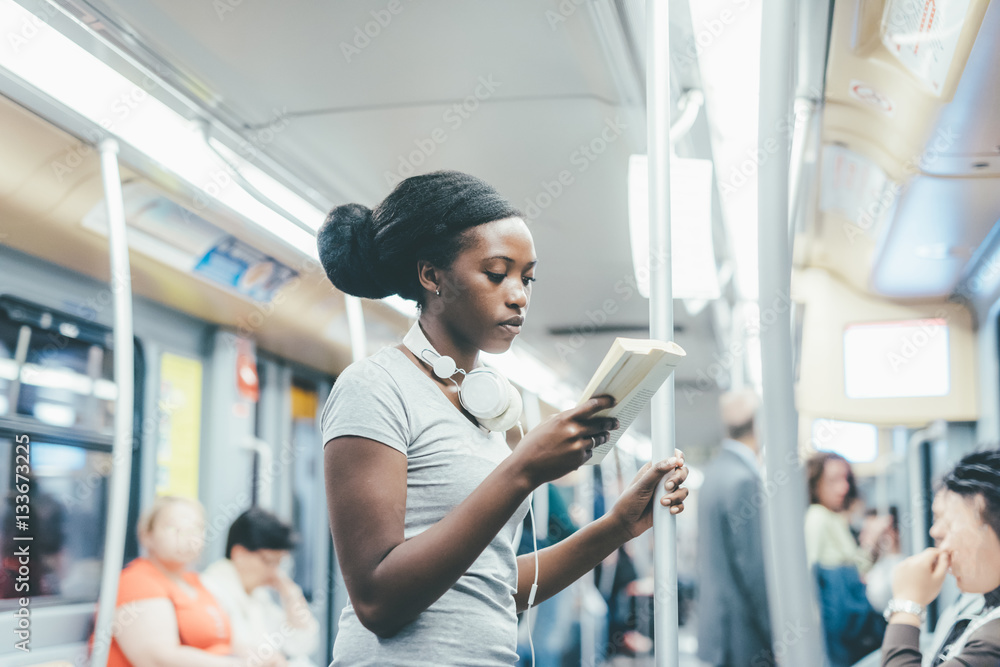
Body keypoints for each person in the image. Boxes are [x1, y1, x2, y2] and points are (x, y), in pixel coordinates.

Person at [318, 170, 690, 666]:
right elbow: (378, 602)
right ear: (432, 276)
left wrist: (617, 525)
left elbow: (490, 587)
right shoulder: (374, 388)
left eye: (527, 277)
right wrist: (522, 471)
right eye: (497, 273)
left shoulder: (488, 406)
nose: (519, 295)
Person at [94, 496, 280, 667]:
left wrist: (261, 656)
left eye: (195, 529)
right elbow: (159, 660)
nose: (186, 537)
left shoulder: (196, 582)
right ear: (146, 536)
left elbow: (226, 642)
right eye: (173, 529)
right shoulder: (136, 581)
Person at [881, 448, 1000, 666]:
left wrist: (907, 603)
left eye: (949, 522)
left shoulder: (994, 644)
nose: (935, 533)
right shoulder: (975, 599)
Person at [695, 388, 774, 667]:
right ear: (759, 424)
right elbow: (753, 567)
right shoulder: (744, 480)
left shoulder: (713, 474)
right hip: (744, 635)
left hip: (719, 633)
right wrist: (775, 632)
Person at [201, 508, 321, 667]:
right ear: (239, 554)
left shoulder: (258, 596)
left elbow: (302, 644)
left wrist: (291, 594)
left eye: (279, 563)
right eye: (269, 561)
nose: (275, 572)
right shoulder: (210, 590)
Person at [805, 452, 891, 575]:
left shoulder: (834, 518)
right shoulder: (817, 516)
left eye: (846, 478)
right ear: (815, 482)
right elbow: (810, 570)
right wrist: (870, 540)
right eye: (833, 480)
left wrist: (872, 541)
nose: (844, 487)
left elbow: (858, 569)